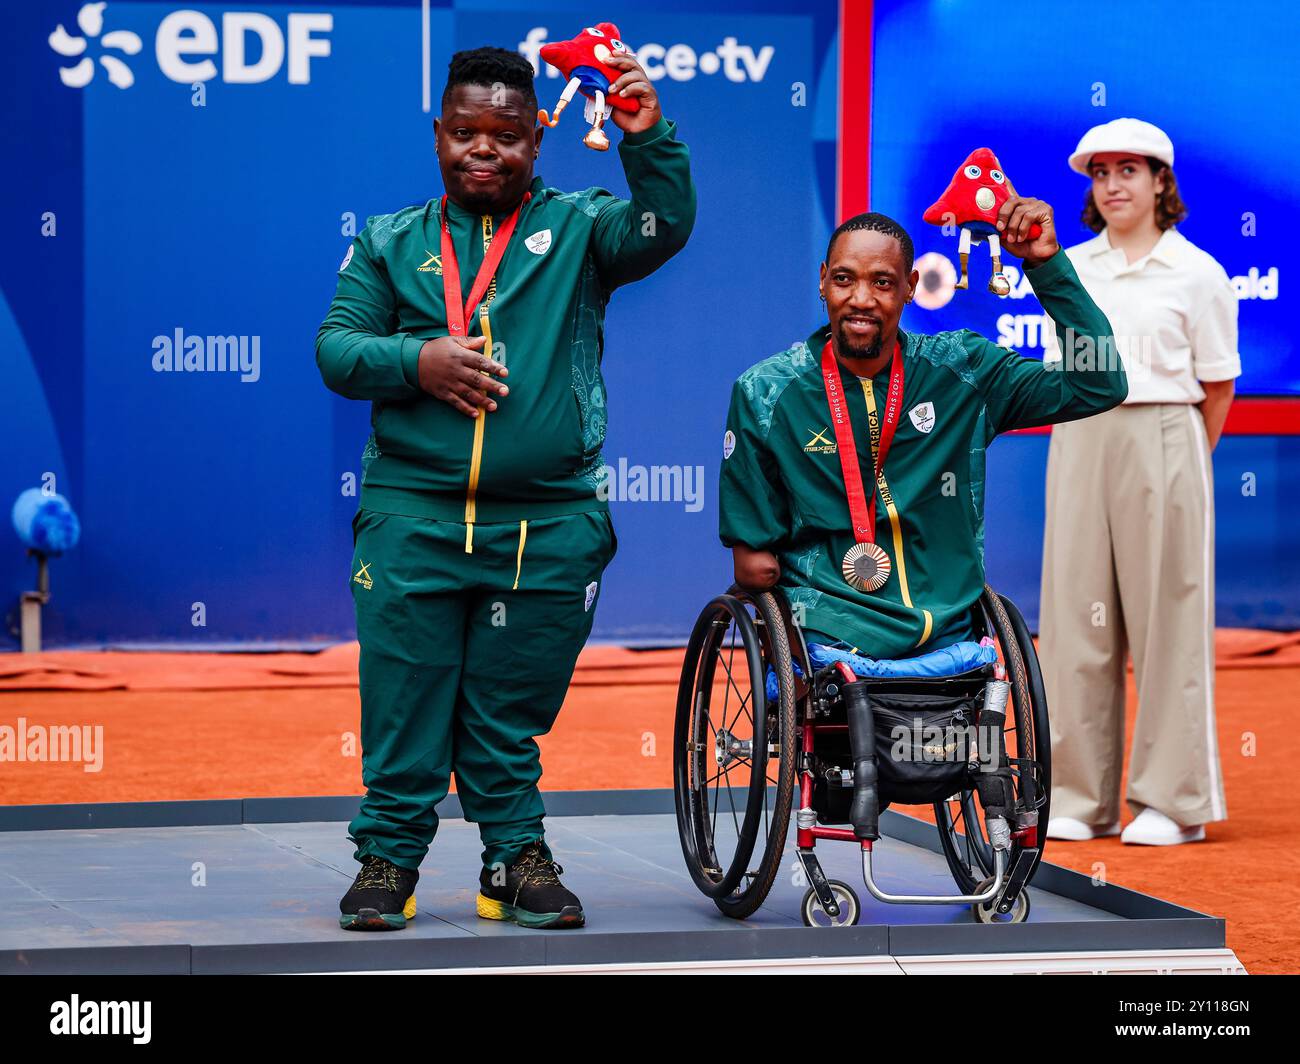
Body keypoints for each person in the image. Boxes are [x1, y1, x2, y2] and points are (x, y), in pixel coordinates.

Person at [316, 45, 695, 930]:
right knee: (404, 695)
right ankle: (388, 860)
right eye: (464, 132)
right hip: (414, 515)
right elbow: (336, 351)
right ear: (438, 135)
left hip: (547, 521)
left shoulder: (581, 229)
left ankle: (513, 859)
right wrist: (421, 360)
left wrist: (650, 140)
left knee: (508, 706)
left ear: (537, 139)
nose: (483, 149)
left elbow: (663, 227)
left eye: (507, 134)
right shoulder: (388, 239)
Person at [720, 188, 1126, 670]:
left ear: (911, 286)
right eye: (845, 280)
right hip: (833, 628)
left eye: (883, 283)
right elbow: (754, 562)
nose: (862, 299)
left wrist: (1046, 265)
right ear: (823, 281)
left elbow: (1100, 383)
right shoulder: (767, 390)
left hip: (948, 628)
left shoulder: (963, 372)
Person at [1039, 118, 1239, 847]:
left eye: (1130, 170)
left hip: (1165, 432)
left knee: (1169, 622)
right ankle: (1075, 795)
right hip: (1081, 432)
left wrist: (1178, 464)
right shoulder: (1072, 267)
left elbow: (1216, 386)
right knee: (1073, 619)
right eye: (1101, 173)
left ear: (1161, 181)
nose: (1113, 184)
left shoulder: (1199, 273)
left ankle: (1174, 802)